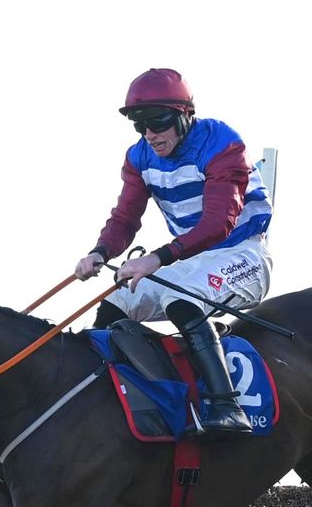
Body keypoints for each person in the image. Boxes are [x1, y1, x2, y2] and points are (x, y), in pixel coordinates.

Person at [76, 68, 274, 436]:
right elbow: (124, 218)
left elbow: (219, 223)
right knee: (117, 300)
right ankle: (98, 395)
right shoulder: (139, 158)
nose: (150, 134)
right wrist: (100, 251)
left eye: (158, 122)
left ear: (185, 115)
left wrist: (156, 258)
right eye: (140, 125)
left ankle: (227, 407)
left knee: (182, 301)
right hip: (190, 258)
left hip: (243, 253)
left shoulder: (222, 143)